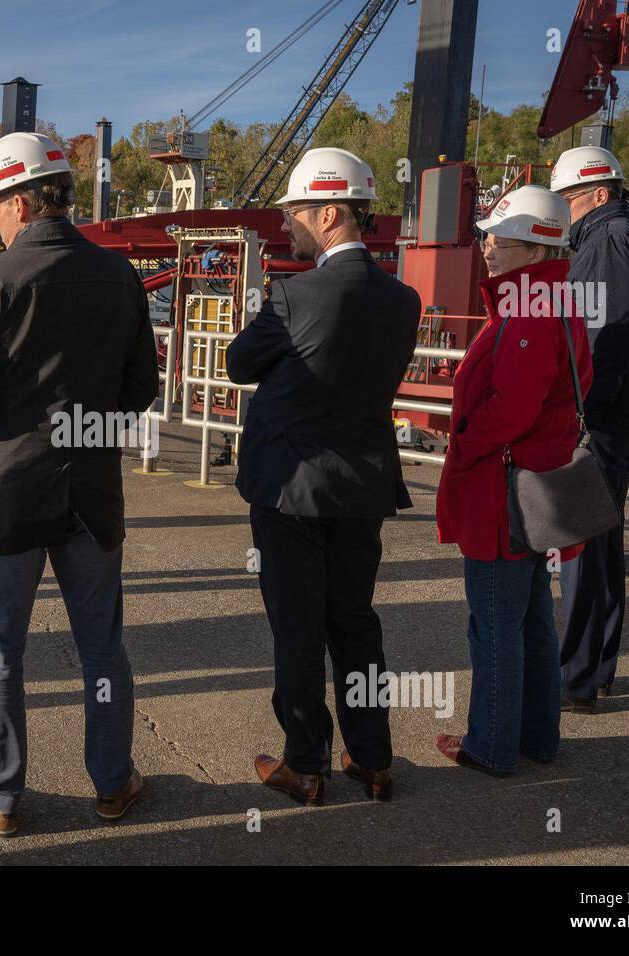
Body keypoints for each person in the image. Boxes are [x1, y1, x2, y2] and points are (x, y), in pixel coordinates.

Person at [0, 132, 158, 835]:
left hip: (8, 492)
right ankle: (112, 783)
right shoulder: (119, 276)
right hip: (91, 492)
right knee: (101, 645)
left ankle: (1, 798)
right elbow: (140, 388)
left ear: (24, 200)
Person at [226, 148, 421, 805]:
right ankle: (371, 759)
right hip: (362, 486)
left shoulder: (295, 294)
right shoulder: (404, 299)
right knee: (356, 624)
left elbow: (238, 362)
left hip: (292, 488)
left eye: (297, 211)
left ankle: (304, 763)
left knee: (298, 628)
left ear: (331, 212)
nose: (288, 224)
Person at [434, 185, 593, 776]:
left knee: (493, 625)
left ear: (531, 245)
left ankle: (492, 746)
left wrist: (466, 444)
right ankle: (536, 738)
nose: (487, 249)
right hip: (534, 489)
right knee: (531, 622)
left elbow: (515, 406)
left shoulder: (526, 306)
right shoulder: (556, 298)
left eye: (498, 239)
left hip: (504, 491)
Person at [550, 146, 629, 712]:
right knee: (602, 544)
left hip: (601, 421)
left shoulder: (606, 241)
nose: (565, 212)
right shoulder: (625, 236)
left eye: (568, 199)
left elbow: (604, 336)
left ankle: (575, 679)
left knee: (583, 550)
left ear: (595, 194)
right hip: (618, 416)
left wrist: (580, 413)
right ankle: (596, 671)